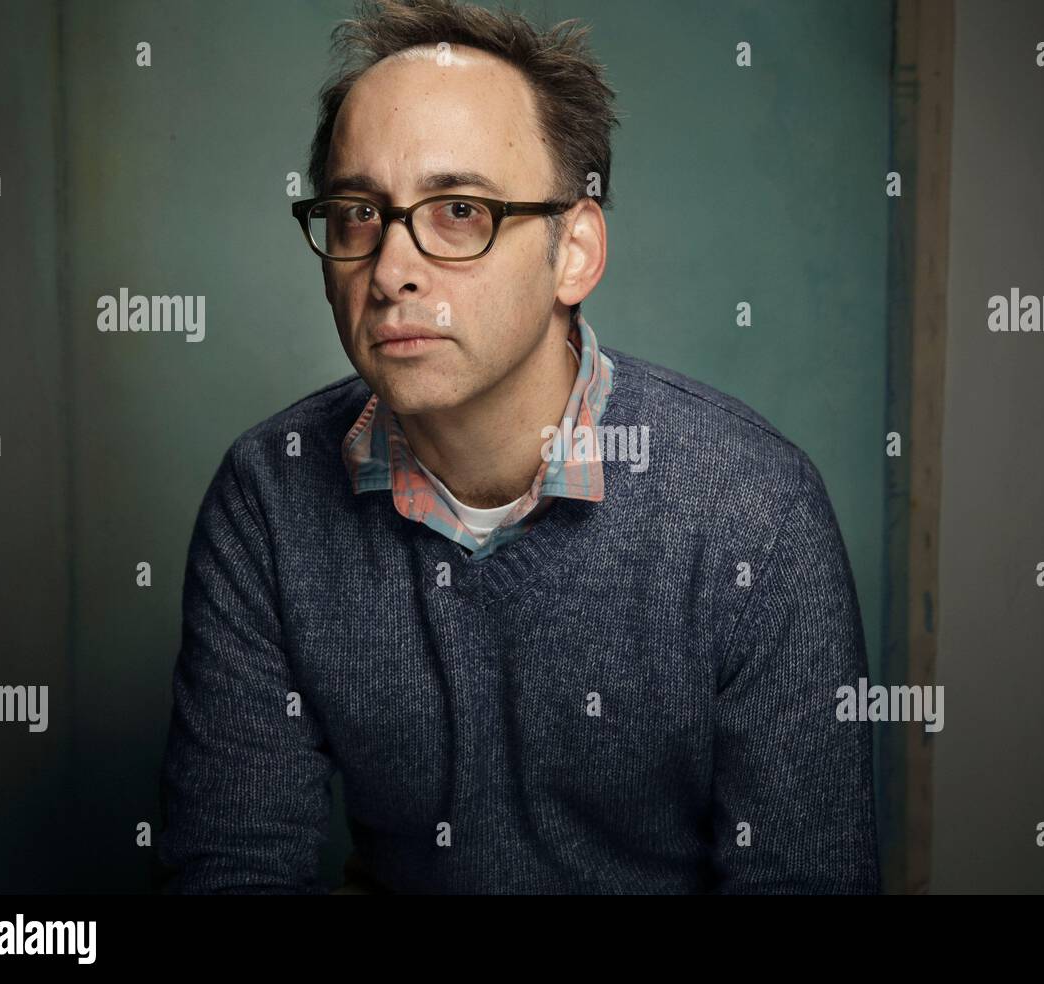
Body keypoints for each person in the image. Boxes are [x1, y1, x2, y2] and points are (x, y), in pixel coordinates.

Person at [157, 0, 879, 894]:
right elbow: (233, 868)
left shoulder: (753, 512)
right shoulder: (269, 493)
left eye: (459, 210)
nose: (390, 271)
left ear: (573, 250)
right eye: (356, 213)